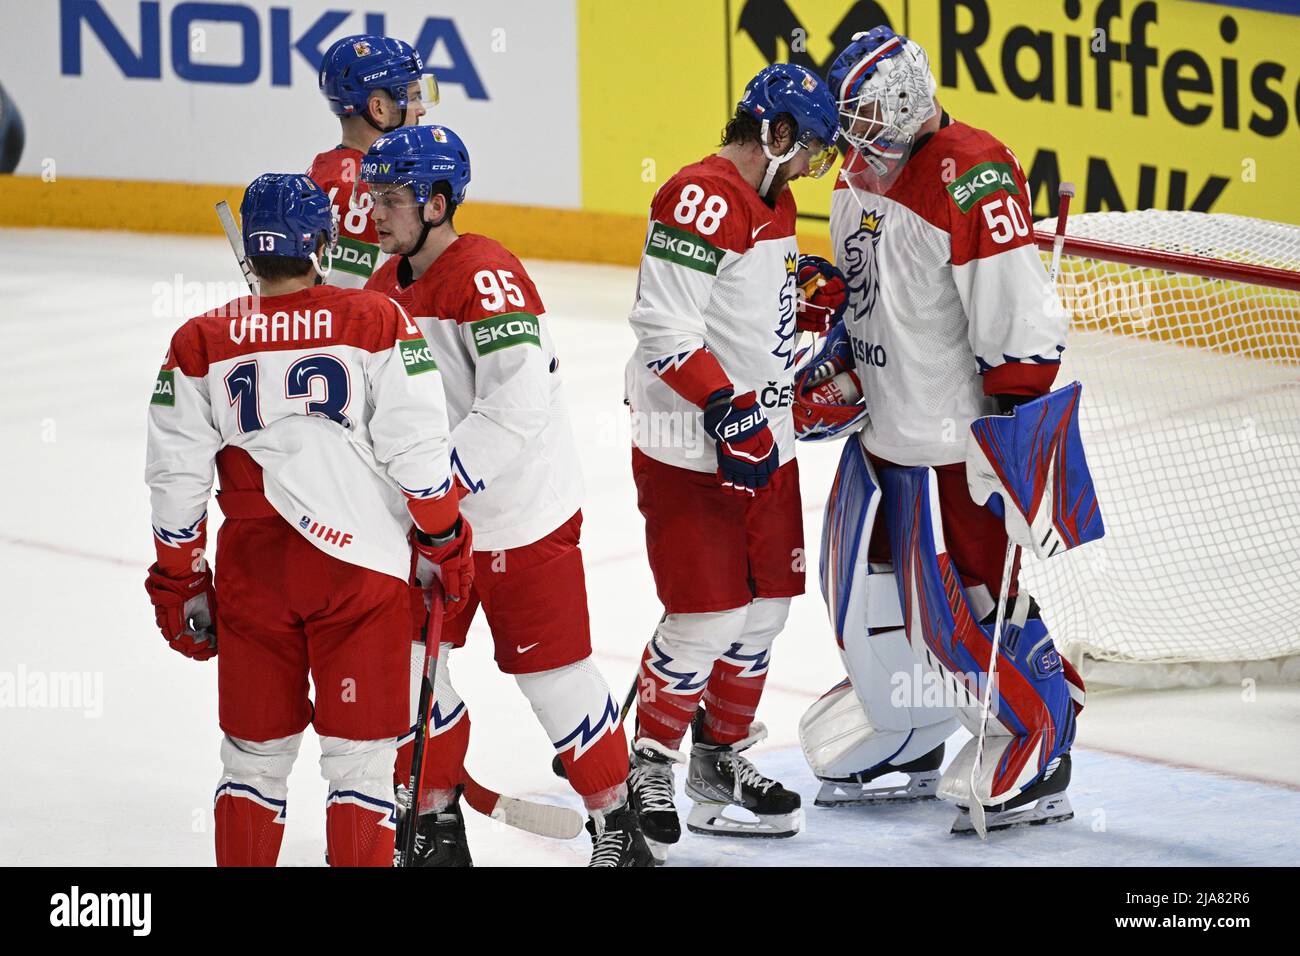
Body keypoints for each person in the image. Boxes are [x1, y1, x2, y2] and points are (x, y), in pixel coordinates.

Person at [796, 27, 1085, 832]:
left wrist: (1014, 441)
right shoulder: (858, 174)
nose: (845, 140)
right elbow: (867, 296)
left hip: (956, 450)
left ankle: (1040, 734)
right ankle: (908, 729)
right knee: (857, 595)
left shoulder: (971, 172)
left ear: (902, 106)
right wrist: (837, 360)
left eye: (861, 118)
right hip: (884, 436)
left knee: (970, 611)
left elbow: (1020, 322)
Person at [143, 173, 472, 866]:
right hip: (359, 575)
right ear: (320, 241)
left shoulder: (200, 339)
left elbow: (177, 481)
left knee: (252, 764)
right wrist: (444, 537)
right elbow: (417, 453)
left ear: (251, 252)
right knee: (359, 767)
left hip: (254, 575)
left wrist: (180, 581)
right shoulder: (378, 319)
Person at [361, 124, 652, 867]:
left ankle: (620, 828)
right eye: (373, 198)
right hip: (433, 531)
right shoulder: (377, 290)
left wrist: (437, 492)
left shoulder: (486, 274)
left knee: (554, 680)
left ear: (435, 203)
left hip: (521, 519)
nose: (375, 214)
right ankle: (435, 821)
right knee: (408, 670)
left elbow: (517, 403)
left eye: (391, 199)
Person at [621, 63, 840, 862]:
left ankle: (715, 763)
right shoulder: (699, 193)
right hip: (689, 446)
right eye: (811, 147)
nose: (816, 166)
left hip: (763, 441)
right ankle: (644, 762)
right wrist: (726, 404)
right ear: (776, 132)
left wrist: (796, 295)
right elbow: (663, 325)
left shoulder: (774, 201)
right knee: (706, 617)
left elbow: (737, 302)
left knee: (766, 611)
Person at [308, 34, 435, 288]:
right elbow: (359, 307)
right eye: (412, 97)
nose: (420, 109)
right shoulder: (379, 189)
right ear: (378, 109)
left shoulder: (319, 170)